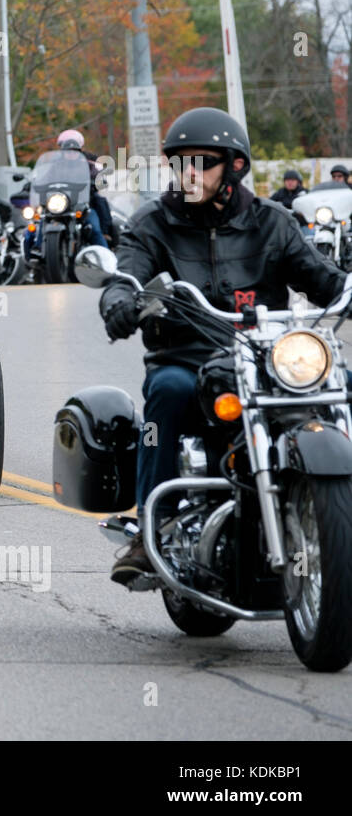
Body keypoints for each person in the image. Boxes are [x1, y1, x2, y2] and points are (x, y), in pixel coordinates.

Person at [97, 107, 345, 585]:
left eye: (201, 162)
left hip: (265, 359)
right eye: (181, 163)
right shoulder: (153, 224)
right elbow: (125, 274)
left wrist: (346, 288)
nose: (189, 173)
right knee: (166, 393)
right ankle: (152, 525)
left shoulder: (273, 222)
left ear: (233, 166)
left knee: (340, 387)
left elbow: (322, 278)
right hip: (185, 357)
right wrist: (122, 301)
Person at [56, 129, 112, 246]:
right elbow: (44, 177)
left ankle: (107, 258)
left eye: (74, 151)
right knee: (40, 222)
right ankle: (36, 250)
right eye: (67, 150)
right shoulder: (55, 164)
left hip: (83, 203)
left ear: (79, 149)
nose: (71, 153)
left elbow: (98, 172)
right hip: (60, 205)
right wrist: (31, 184)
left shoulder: (88, 162)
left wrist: (97, 181)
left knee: (95, 228)